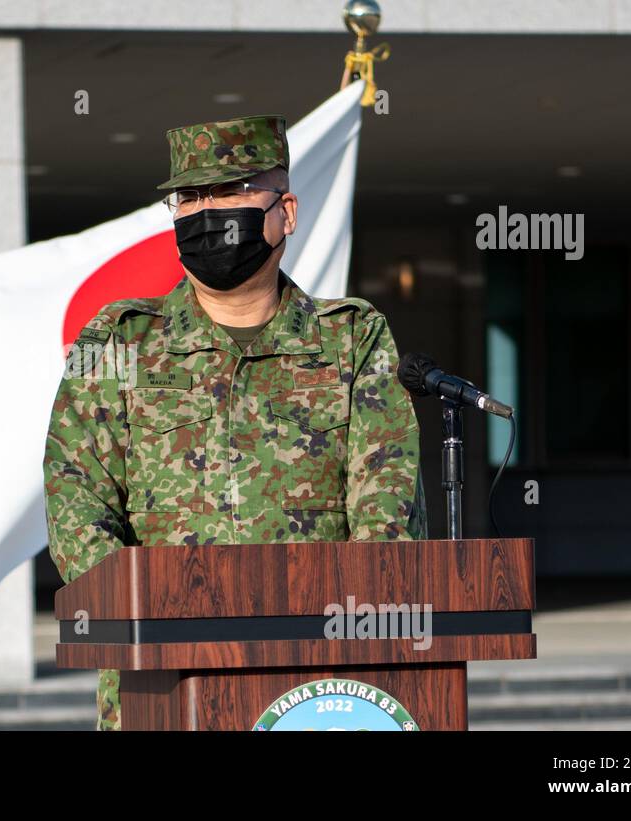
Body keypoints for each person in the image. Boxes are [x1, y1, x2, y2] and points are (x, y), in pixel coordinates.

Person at [43, 114, 427, 731]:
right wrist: (149, 613)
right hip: (162, 684)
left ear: (287, 212)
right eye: (190, 197)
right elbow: (76, 502)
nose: (208, 211)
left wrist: (341, 624)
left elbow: (388, 500)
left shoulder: (351, 337)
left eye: (233, 190)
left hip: (321, 684)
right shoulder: (118, 341)